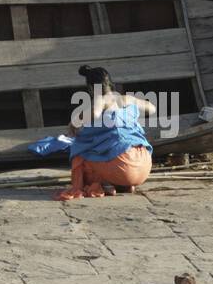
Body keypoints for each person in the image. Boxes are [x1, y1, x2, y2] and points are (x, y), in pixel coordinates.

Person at [56, 65, 155, 200]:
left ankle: (107, 183)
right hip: (143, 166)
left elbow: (95, 113)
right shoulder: (127, 99)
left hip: (123, 166)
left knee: (80, 154)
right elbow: (152, 109)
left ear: (91, 88)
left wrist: (75, 121)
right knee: (104, 149)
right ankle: (123, 184)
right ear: (110, 83)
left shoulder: (101, 99)